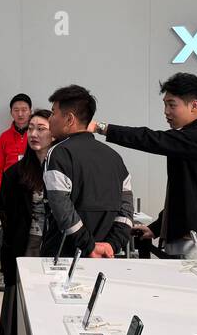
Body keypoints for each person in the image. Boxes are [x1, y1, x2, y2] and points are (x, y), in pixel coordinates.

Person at [93, 73, 197, 262]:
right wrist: (157, 228)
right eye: (165, 104)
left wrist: (100, 127)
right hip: (190, 234)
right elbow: (187, 193)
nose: (166, 111)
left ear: (194, 105)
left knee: (193, 289)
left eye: (172, 104)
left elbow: (151, 139)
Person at [42, 85, 134, 259]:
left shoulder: (59, 153)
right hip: (105, 256)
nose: (50, 119)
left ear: (69, 119)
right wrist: (111, 245)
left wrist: (89, 245)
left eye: (53, 113)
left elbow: (60, 206)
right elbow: (126, 211)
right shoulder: (115, 157)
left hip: (63, 258)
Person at [0, 109, 52, 335]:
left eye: (41, 128)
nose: (34, 133)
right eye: (31, 128)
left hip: (55, 253)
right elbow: (3, 213)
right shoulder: (14, 174)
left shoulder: (66, 170)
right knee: (22, 312)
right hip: (25, 251)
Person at [0, 93, 32, 200]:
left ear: (30, 112)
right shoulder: (4, 137)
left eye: (24, 110)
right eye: (16, 110)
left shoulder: (36, 135)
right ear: (11, 112)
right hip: (9, 187)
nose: (20, 114)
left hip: (31, 187)